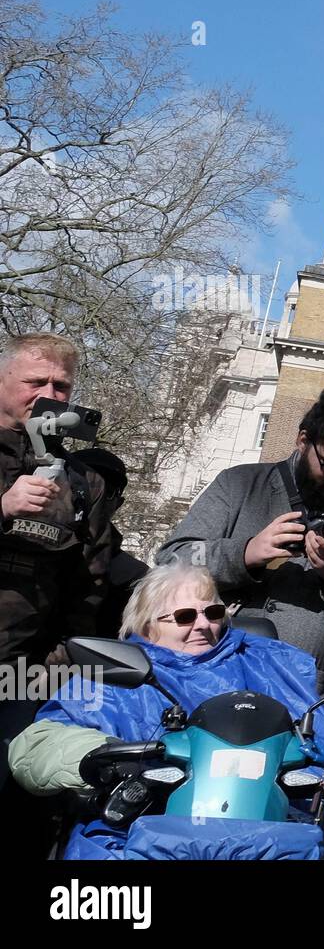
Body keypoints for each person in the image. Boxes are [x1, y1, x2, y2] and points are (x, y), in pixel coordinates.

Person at [6, 562, 324, 859]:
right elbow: (34, 746)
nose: (202, 624)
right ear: (147, 625)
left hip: (276, 829)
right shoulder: (115, 671)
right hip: (140, 830)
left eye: (212, 612)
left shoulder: (267, 662)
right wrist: (108, 757)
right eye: (183, 616)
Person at [155, 386, 324, 695]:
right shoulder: (239, 485)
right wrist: (245, 553)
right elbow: (173, 557)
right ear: (303, 441)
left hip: (309, 693)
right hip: (212, 672)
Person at [0, 333, 113, 858]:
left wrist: (60, 666)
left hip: (24, 680)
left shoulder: (84, 479)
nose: (49, 394)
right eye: (35, 381)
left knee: (21, 814)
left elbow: (89, 585)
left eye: (60, 385)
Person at [70, 447, 150, 638]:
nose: (92, 497)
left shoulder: (134, 577)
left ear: (118, 503)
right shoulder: (18, 538)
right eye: (80, 486)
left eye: (106, 490)